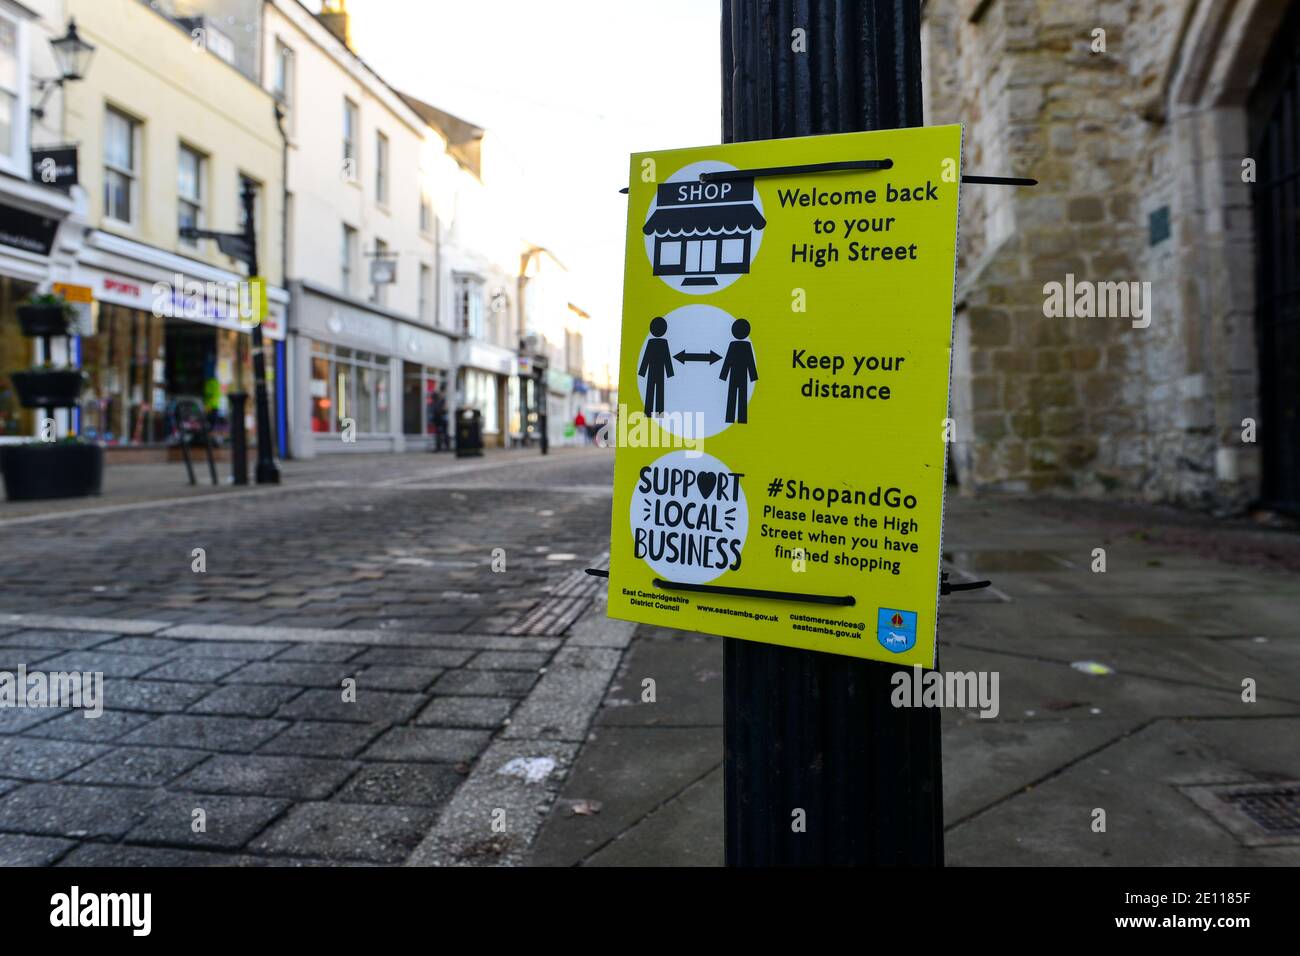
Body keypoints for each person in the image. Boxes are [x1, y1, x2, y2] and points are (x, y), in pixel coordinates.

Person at [720, 318, 758, 424]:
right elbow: (749, 361)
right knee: (740, 395)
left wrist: (723, 375)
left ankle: (732, 418)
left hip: (735, 374)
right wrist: (753, 376)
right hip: (742, 375)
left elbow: (728, 361)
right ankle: (739, 418)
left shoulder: (736, 345)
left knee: (735, 395)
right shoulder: (743, 345)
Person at [638, 316, 673, 416]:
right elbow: (667, 359)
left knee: (651, 390)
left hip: (652, 371)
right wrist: (670, 372)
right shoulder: (663, 343)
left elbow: (646, 359)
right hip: (660, 371)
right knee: (659, 391)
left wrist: (642, 372)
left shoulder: (652, 342)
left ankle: (649, 412)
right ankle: (659, 412)